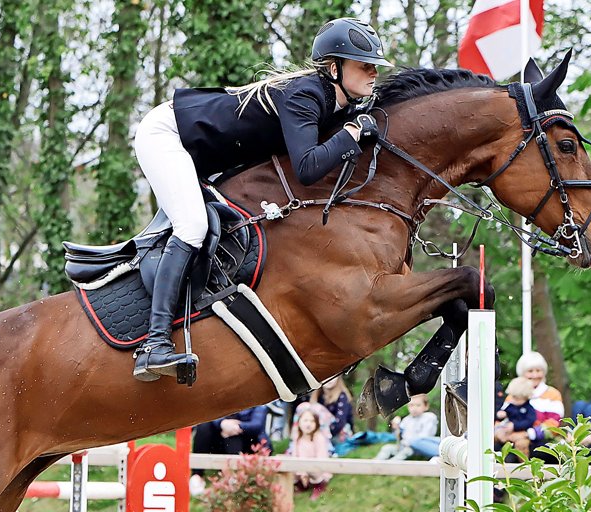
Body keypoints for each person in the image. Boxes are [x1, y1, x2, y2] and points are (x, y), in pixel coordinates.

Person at [131, 18, 394, 381]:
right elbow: (307, 167)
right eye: (364, 64)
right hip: (167, 135)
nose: (373, 72)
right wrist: (352, 133)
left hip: (201, 153)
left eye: (375, 66)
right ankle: (154, 344)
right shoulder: (305, 95)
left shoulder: (337, 101)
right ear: (334, 68)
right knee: (191, 225)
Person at [189, 405, 271, 495]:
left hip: (249, 445)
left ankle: (233, 475)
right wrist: (222, 424)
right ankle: (197, 476)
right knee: (204, 426)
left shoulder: (258, 403)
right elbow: (207, 415)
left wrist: (236, 427)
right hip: (221, 440)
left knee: (234, 434)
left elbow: (257, 425)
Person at [515, 352, 565, 457]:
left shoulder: (553, 394)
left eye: (538, 371)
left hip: (543, 441)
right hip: (515, 440)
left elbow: (554, 424)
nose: (535, 375)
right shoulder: (513, 395)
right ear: (522, 373)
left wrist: (528, 435)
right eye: (530, 371)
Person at [374, 394, 439, 460]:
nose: (414, 408)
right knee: (386, 448)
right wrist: (396, 427)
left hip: (419, 447)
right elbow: (399, 437)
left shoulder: (429, 417)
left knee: (406, 451)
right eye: (411, 405)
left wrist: (408, 442)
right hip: (404, 445)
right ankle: (375, 464)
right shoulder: (406, 419)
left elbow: (425, 436)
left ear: (426, 406)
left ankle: (391, 465)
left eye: (418, 405)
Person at [288, 408, 333, 500]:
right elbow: (295, 455)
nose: (308, 424)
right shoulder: (297, 437)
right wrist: (302, 473)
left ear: (317, 423)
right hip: (302, 467)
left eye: (312, 421)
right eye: (305, 420)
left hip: (316, 467)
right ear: (299, 422)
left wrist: (308, 471)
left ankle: (319, 485)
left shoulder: (319, 437)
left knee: (315, 471)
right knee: (291, 466)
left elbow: (322, 458)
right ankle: (301, 484)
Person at [494, 377, 538, 456]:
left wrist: (515, 425)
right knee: (495, 437)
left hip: (522, 433)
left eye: (517, 398)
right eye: (513, 397)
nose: (514, 400)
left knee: (521, 445)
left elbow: (530, 421)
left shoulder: (529, 408)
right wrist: (500, 415)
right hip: (507, 433)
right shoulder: (510, 406)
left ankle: (524, 464)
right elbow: (500, 416)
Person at [310, 376, 356, 445]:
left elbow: (340, 423)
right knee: (304, 407)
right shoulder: (317, 396)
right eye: (326, 376)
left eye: (334, 376)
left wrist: (324, 435)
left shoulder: (342, 396)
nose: (330, 379)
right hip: (319, 433)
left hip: (339, 435)